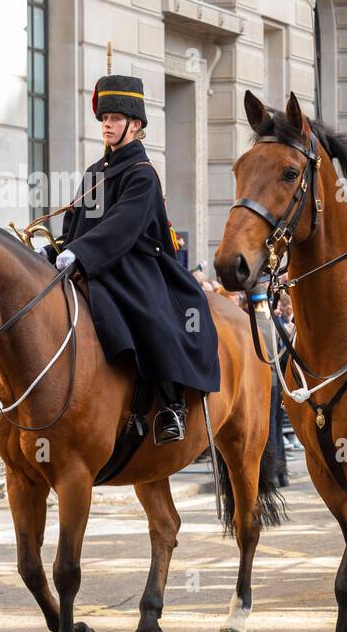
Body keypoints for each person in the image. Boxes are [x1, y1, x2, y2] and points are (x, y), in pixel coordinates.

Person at [42, 72, 220, 443]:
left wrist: (80, 252)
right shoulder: (94, 174)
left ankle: (171, 403)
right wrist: (54, 249)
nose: (107, 124)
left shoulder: (143, 173)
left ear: (135, 125)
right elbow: (77, 225)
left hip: (136, 261)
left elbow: (124, 226)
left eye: (116, 119)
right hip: (92, 260)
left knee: (151, 317)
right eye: (105, 118)